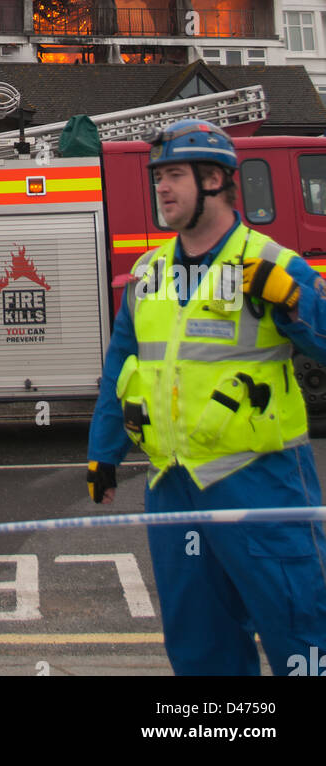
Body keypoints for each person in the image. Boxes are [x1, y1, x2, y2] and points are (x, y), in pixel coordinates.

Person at [87, 118, 326, 676]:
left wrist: (297, 303)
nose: (160, 189)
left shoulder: (272, 265)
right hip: (173, 488)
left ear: (215, 180)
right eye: (157, 177)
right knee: (200, 650)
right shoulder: (147, 275)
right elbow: (120, 367)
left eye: (173, 175)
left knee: (303, 637)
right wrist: (104, 451)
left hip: (262, 486)